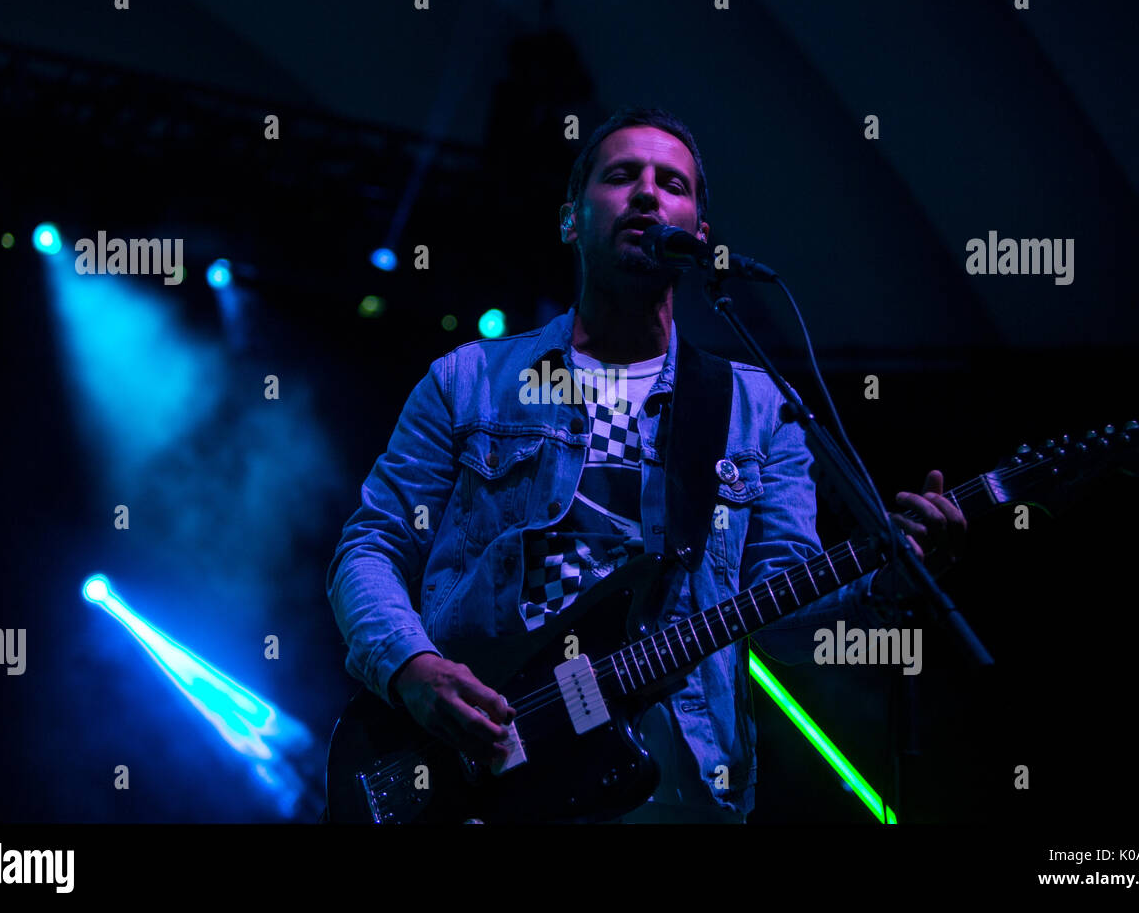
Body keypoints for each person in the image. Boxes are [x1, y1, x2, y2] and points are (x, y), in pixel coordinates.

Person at [326, 106, 966, 823]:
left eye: (672, 184)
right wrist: (411, 668)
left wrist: (883, 578)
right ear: (571, 220)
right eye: (622, 175)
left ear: (697, 235)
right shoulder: (467, 381)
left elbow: (784, 614)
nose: (647, 194)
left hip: (678, 788)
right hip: (488, 767)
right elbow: (370, 545)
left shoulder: (755, 405)